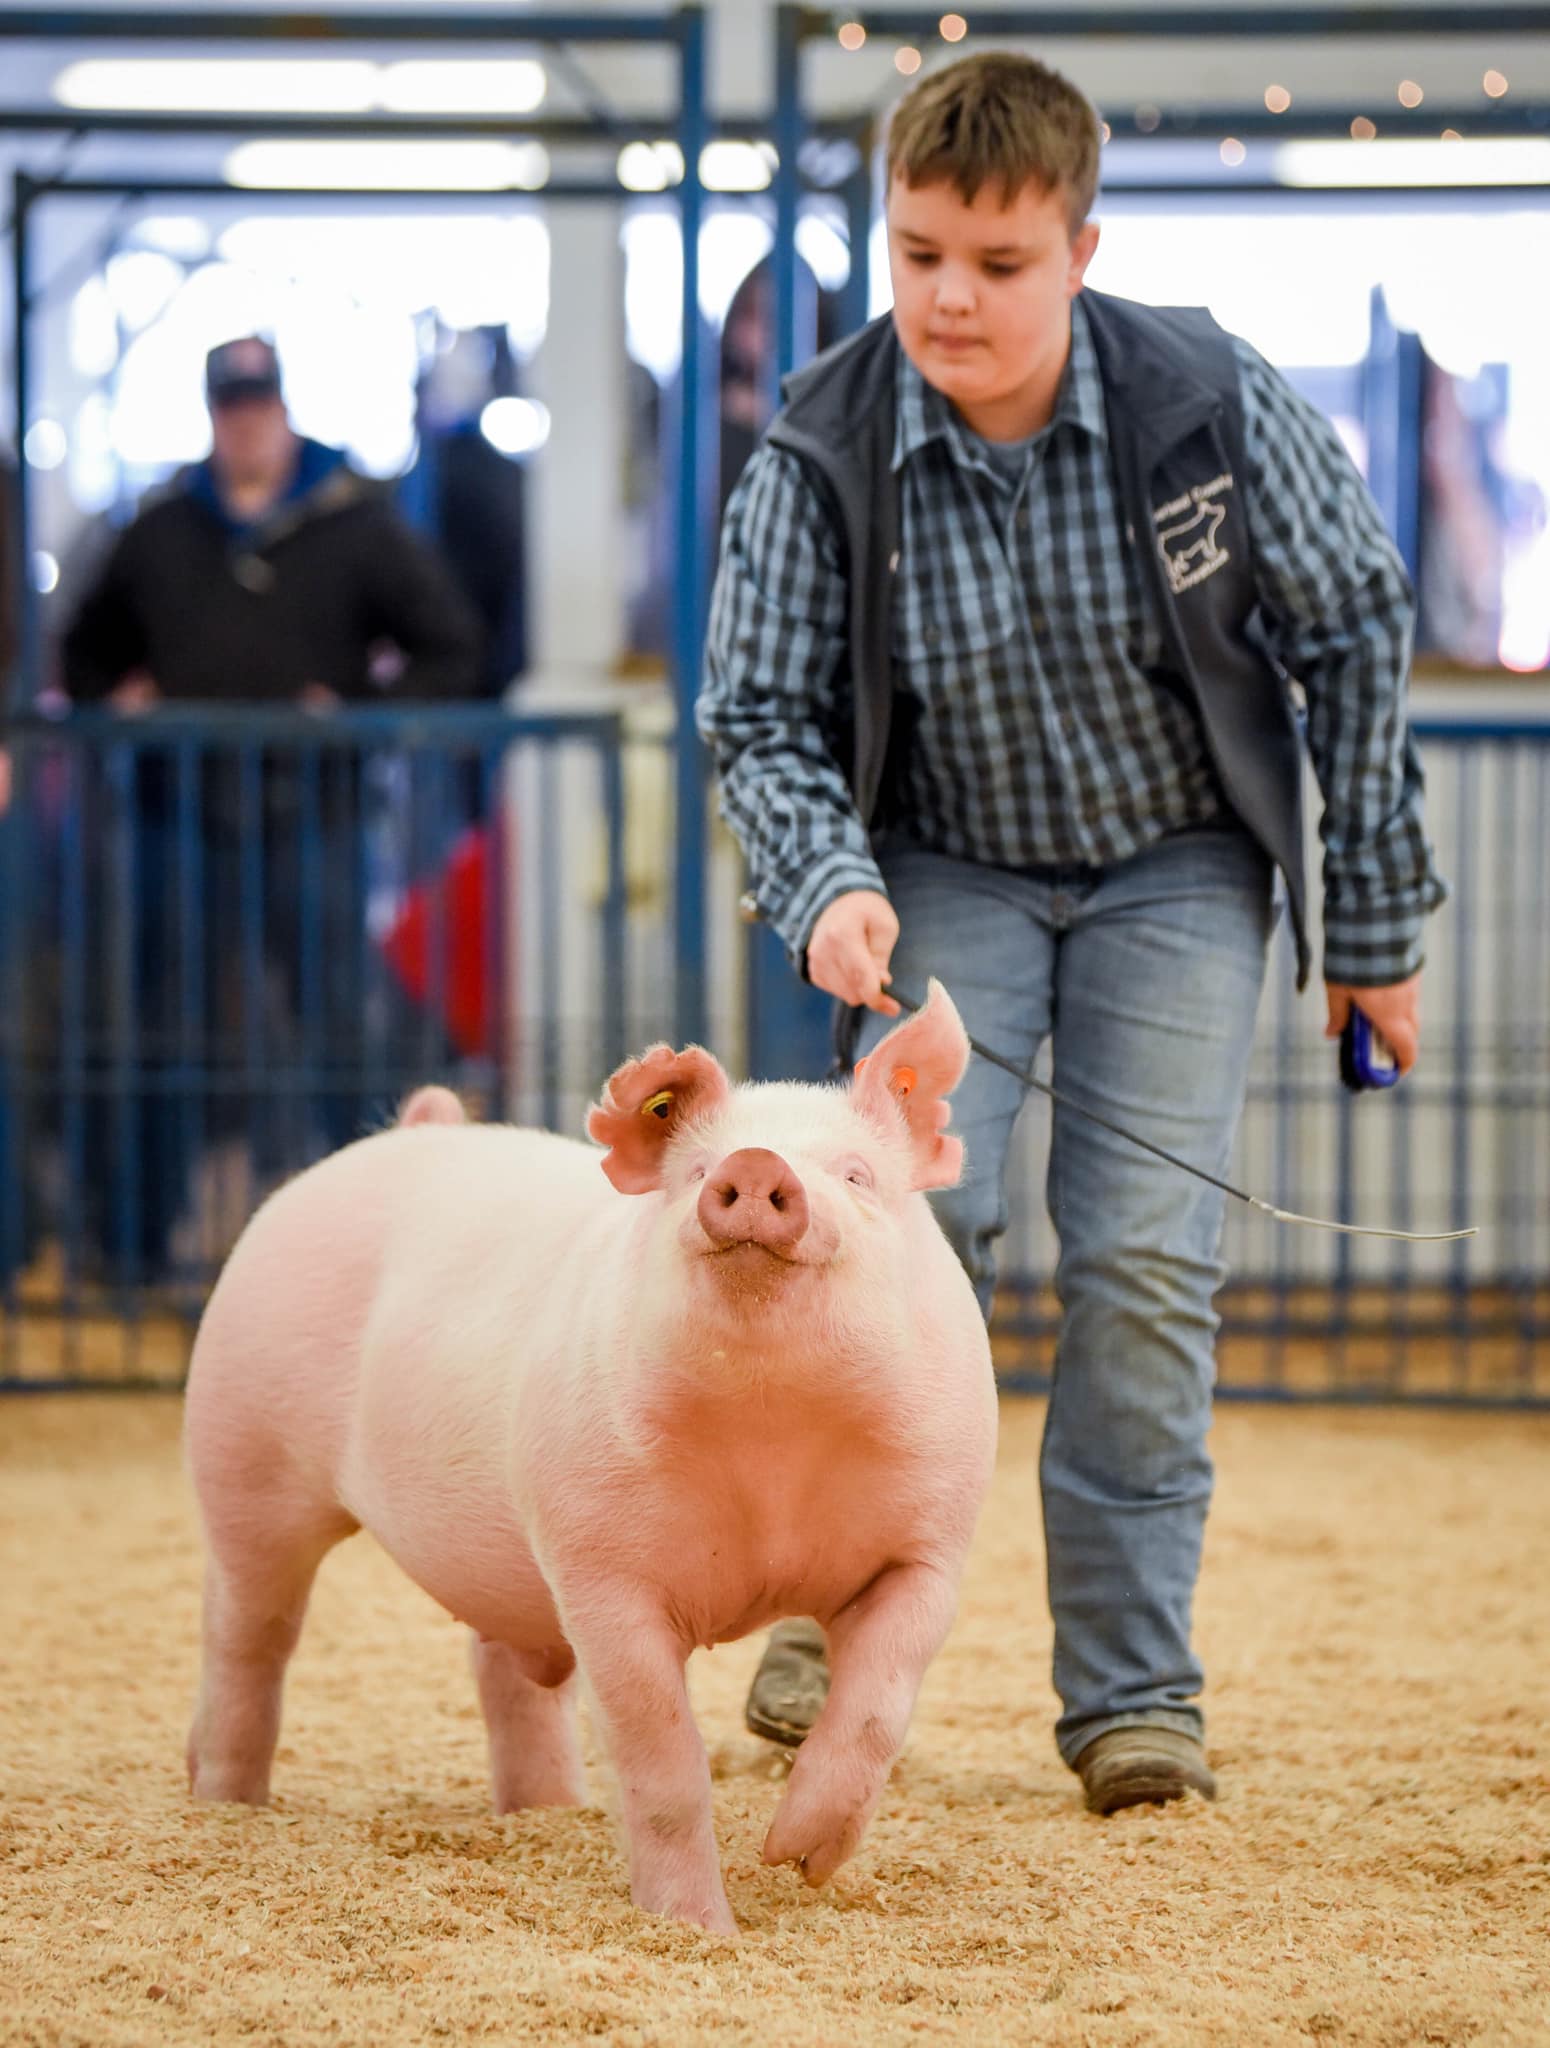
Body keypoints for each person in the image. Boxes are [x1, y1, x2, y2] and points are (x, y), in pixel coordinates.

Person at [697, 52, 1446, 1815]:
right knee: (894, 1226)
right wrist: (828, 883)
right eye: (917, 252)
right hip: (938, 864)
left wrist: (1378, 921)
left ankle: (1132, 1697)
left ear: (1080, 246)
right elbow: (757, 714)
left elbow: (1356, 629)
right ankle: (828, 1599)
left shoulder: (1208, 396)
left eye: (997, 261)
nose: (949, 295)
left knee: (1140, 1257)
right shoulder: (821, 432)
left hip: (1180, 864)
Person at [59, 335, 483, 1285]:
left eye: (258, 404)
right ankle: (131, 1245)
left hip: (312, 817)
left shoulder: (355, 522)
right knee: (164, 1027)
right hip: (182, 818)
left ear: (283, 409)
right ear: (214, 416)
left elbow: (449, 642)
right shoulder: (162, 528)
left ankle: (381, 1243)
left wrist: (361, 718)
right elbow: (82, 646)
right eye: (229, 407)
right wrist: (116, 699)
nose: (245, 423)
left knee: (338, 1027)